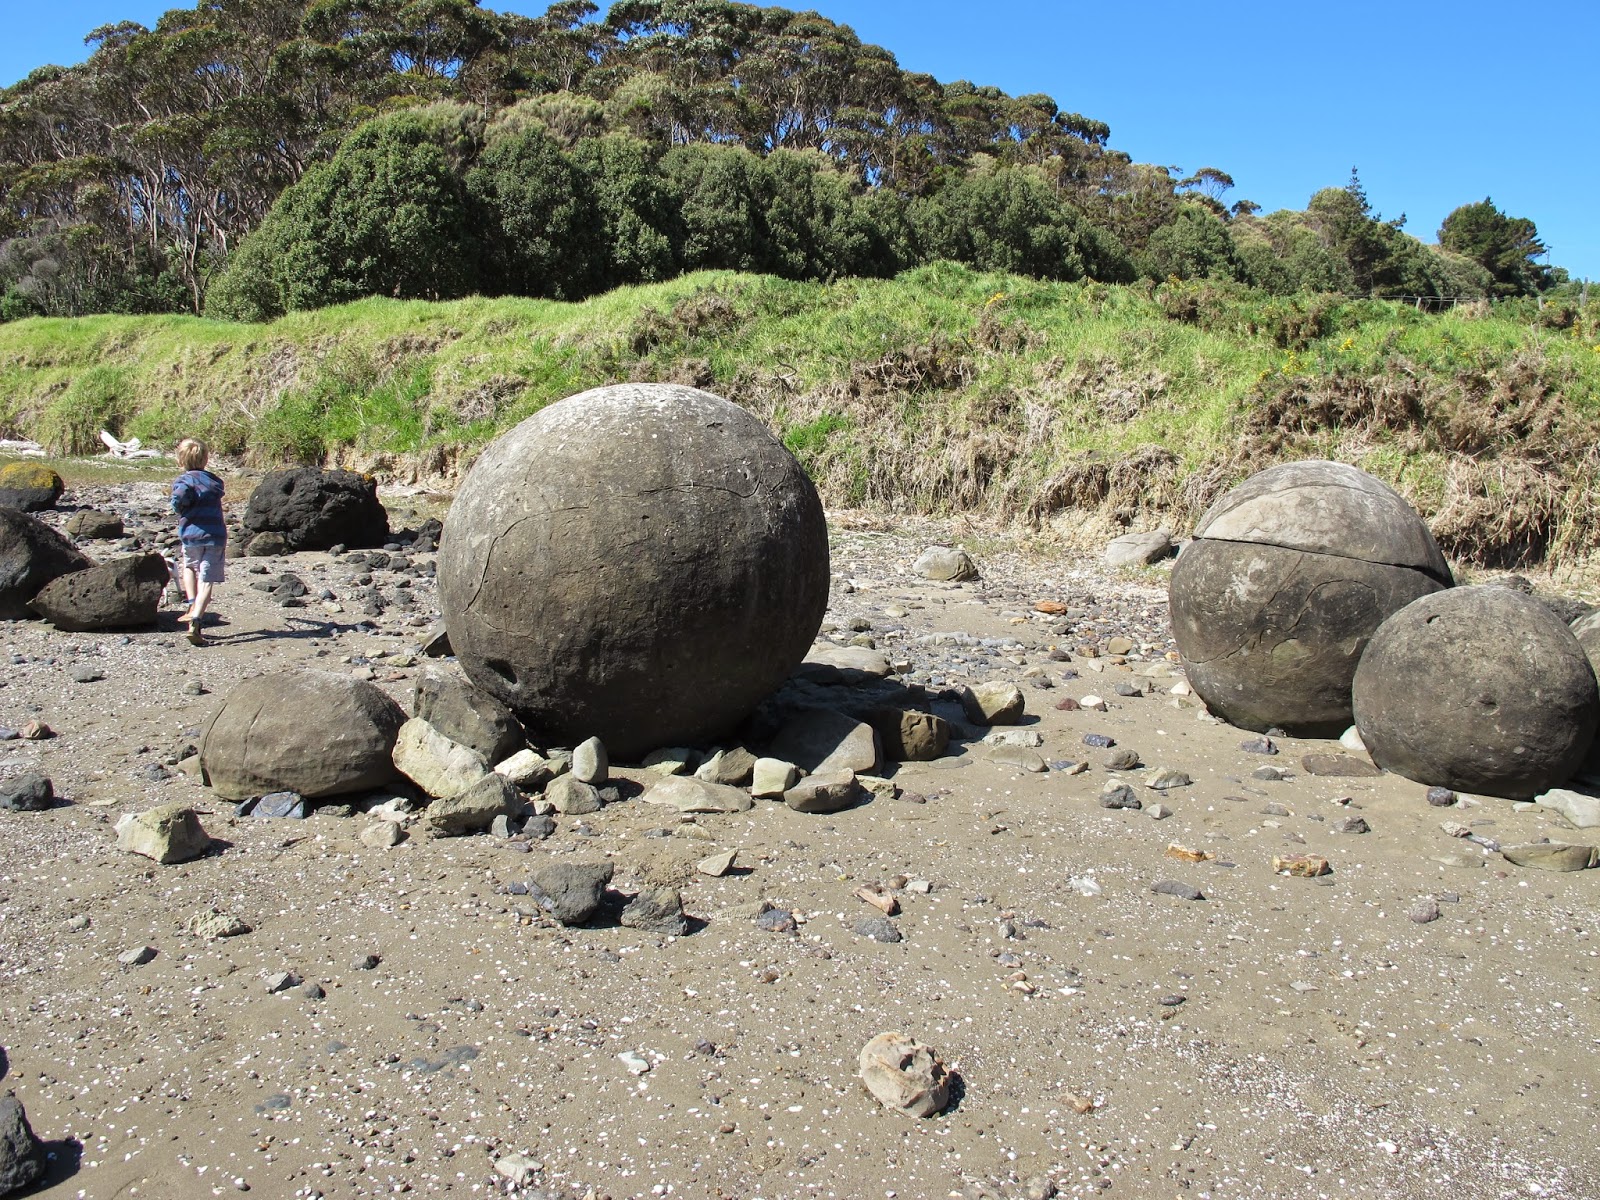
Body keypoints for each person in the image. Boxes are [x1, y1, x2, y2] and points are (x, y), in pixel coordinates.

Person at [170, 437, 226, 645]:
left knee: (189, 567)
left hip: (191, 534)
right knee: (207, 580)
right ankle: (197, 618)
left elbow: (178, 499)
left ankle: (192, 604)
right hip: (215, 536)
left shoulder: (184, 480)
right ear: (205, 459)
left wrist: (180, 507)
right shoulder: (215, 481)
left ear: (181, 460)